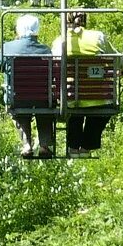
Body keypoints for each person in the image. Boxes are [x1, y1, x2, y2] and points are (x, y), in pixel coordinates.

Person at [0, 14, 55, 158]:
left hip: (17, 97)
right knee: (44, 109)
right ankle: (44, 145)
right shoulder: (45, 50)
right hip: (42, 98)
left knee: (20, 111)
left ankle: (27, 144)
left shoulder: (8, 47)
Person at [51, 11, 110, 157]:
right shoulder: (98, 37)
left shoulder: (60, 42)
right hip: (98, 96)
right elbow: (118, 59)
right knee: (99, 109)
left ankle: (73, 146)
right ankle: (87, 145)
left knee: (73, 108)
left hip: (70, 97)